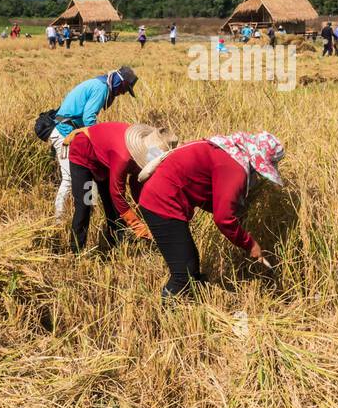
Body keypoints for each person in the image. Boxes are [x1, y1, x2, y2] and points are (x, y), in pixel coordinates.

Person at [137, 131, 284, 299]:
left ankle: (193, 304)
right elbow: (224, 219)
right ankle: (165, 316)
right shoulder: (235, 168)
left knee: (190, 266)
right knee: (183, 276)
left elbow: (201, 188)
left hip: (161, 196)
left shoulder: (227, 150)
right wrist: (250, 245)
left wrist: (232, 211)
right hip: (161, 202)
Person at [65, 122, 178, 254]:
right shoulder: (123, 157)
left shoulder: (145, 150)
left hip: (106, 158)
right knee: (86, 204)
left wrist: (147, 210)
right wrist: (137, 226)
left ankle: (114, 247)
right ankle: (75, 251)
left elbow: (136, 183)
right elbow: (117, 193)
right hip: (84, 154)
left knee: (112, 207)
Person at [48, 66, 139, 220]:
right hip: (65, 132)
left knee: (89, 175)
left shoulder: (100, 83)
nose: (123, 93)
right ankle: (58, 218)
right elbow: (89, 117)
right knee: (69, 177)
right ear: (120, 82)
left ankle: (89, 209)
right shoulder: (101, 88)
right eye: (125, 89)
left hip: (73, 130)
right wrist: (98, 139)